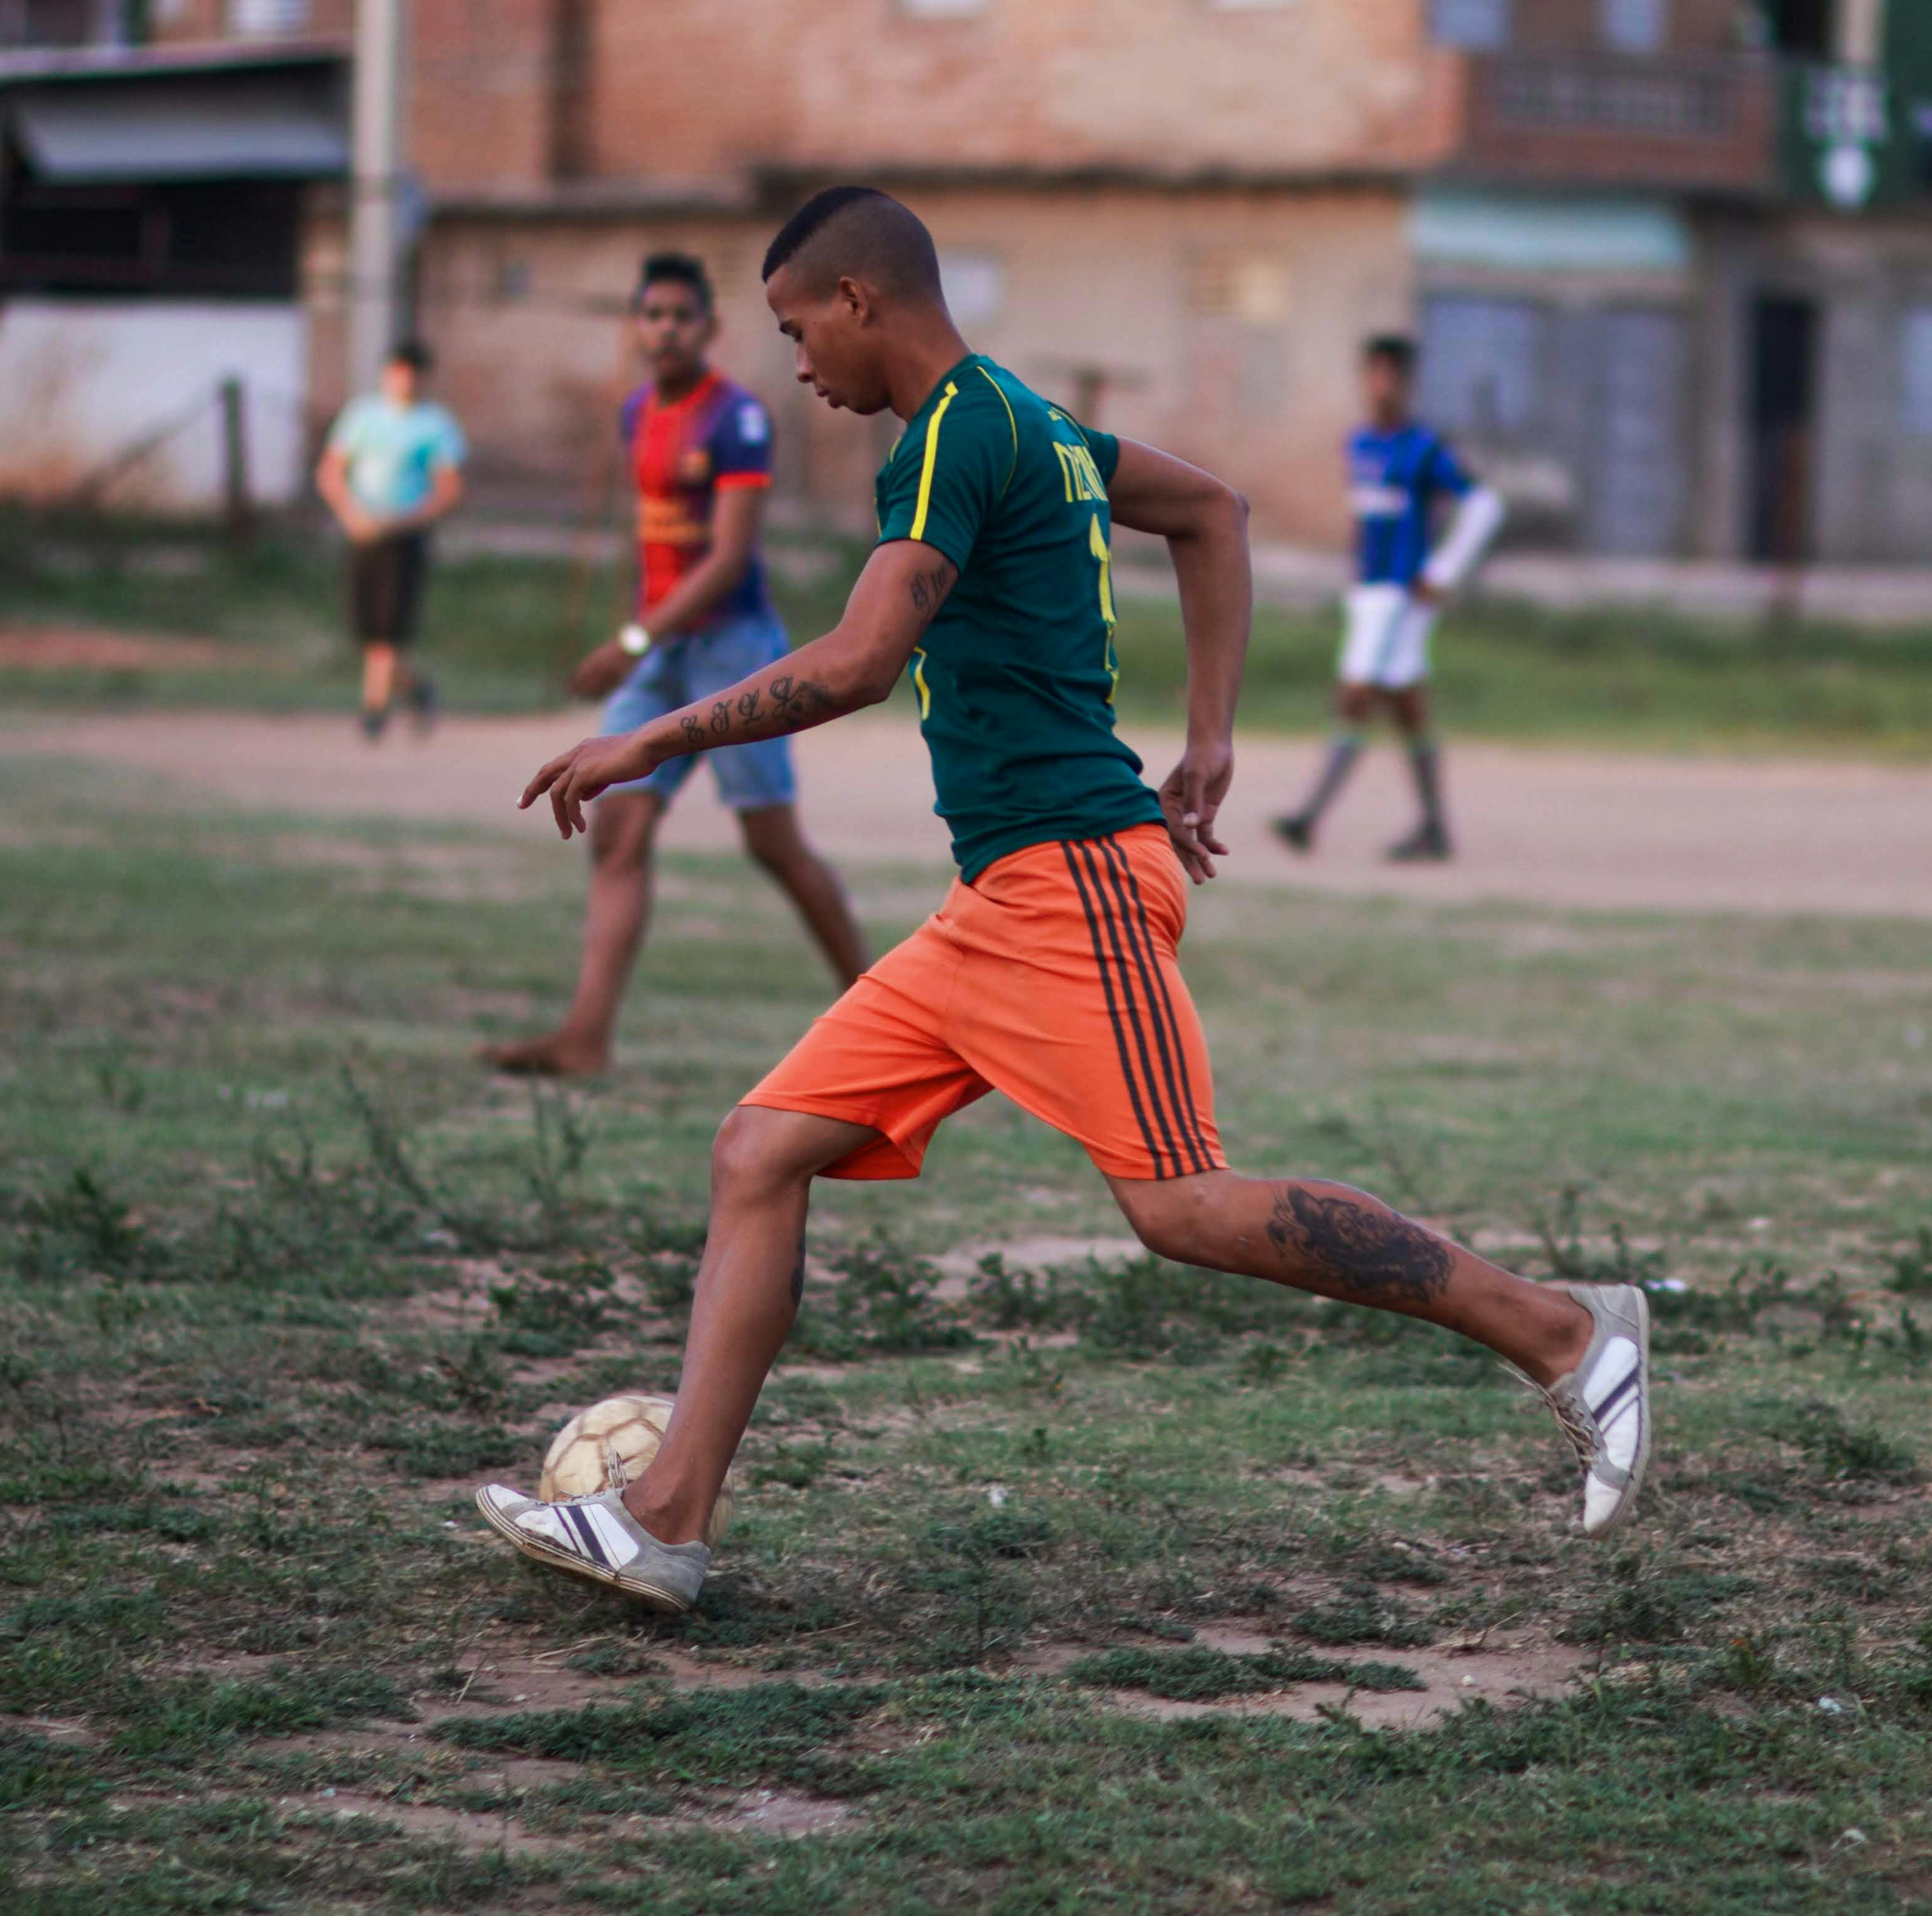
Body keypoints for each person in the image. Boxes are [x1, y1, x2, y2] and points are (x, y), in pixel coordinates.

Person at [473, 190, 1649, 1609]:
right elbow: (1208, 511)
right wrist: (1208, 736)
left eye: (796, 329)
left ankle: (1566, 1333)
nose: (796, 367)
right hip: (998, 901)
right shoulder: (1031, 427)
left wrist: (651, 737)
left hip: (1072, 880)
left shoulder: (954, 436)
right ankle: (663, 1520)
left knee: (1184, 1207)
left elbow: (853, 661)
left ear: (859, 302)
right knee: (758, 1150)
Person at [484, 253, 867, 1078]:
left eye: (679, 316)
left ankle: (879, 1011)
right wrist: (641, 638)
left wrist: (626, 642)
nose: (663, 330)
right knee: (617, 826)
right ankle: (584, 1038)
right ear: (636, 325)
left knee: (772, 843)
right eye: (649, 315)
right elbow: (654, 544)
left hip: (732, 649)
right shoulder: (636, 412)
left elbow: (727, 560)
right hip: (660, 650)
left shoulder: (737, 419)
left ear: (707, 327)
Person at [1269, 334, 1504, 863]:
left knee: (1354, 696)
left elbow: (1485, 506)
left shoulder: (1423, 448)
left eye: (1390, 375)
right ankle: (1435, 830)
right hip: (1369, 594)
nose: (1380, 386)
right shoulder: (1359, 445)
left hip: (1402, 597)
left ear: (1407, 383)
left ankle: (1308, 816)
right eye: (1372, 373)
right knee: (1406, 708)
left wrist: (1443, 570)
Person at [316, 339, 466, 740]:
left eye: (413, 372)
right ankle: (418, 690)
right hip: (363, 534)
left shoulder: (435, 424)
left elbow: (449, 491)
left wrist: (402, 521)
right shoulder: (362, 416)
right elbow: (330, 472)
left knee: (388, 629)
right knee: (368, 633)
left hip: (404, 539)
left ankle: (373, 712)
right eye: (399, 370)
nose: (406, 380)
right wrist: (352, 514)